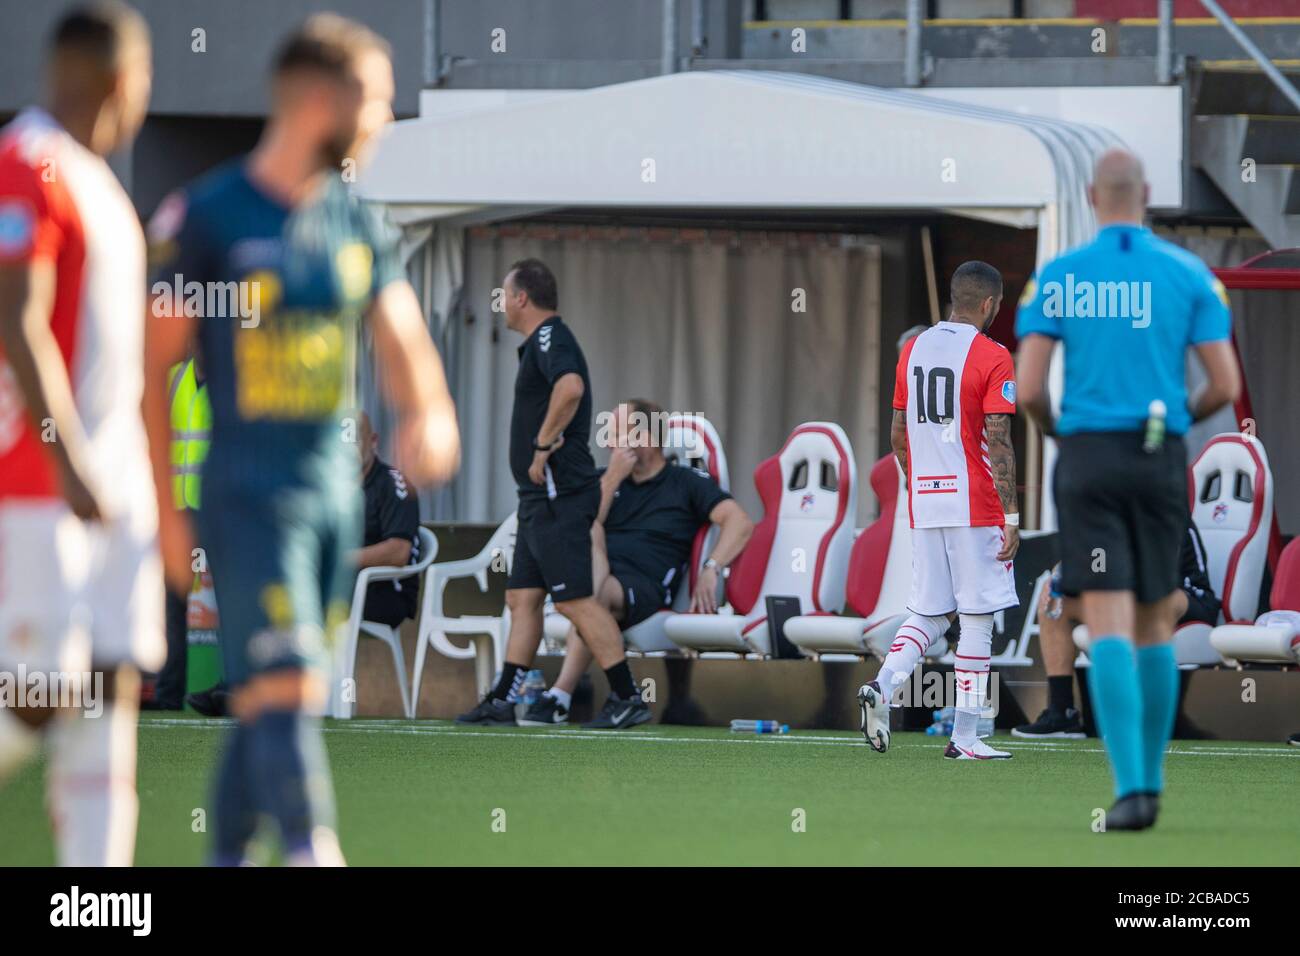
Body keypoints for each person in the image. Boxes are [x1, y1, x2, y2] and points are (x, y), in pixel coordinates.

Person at [142, 14, 460, 866]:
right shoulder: (209, 218)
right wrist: (159, 510)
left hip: (329, 503)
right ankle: (312, 846)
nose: (387, 122)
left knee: (268, 700)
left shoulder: (354, 221)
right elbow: (148, 373)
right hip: (250, 498)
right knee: (283, 687)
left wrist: (428, 410)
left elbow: (401, 343)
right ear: (323, 101)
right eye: (379, 102)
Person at [1016, 148, 1240, 830]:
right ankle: (1154, 780)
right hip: (1157, 454)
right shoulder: (1189, 274)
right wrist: (1172, 425)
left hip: (1088, 457)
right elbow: (1225, 386)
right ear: (1146, 194)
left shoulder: (1056, 277)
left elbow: (1029, 389)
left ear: (1091, 196)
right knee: (1156, 619)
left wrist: (1064, 433)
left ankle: (1129, 791)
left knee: (1106, 618)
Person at [0, 2, 158, 866]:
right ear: (120, 80)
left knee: (109, 696)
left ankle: (96, 907)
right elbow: (17, 321)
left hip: (114, 498)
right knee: (37, 696)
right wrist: (69, 464)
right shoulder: (27, 162)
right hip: (40, 489)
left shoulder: (102, 185)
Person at [455, 259, 647, 729]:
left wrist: (541, 446)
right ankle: (503, 700)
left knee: (573, 599)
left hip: (560, 494)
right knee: (523, 598)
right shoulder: (539, 343)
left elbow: (571, 387)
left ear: (522, 297)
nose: (500, 304)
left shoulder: (550, 337)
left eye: (504, 295)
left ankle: (627, 697)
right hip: (536, 499)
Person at [857, 261, 1021, 760]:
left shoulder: (914, 349)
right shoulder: (993, 355)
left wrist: (923, 482)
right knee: (976, 616)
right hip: (976, 501)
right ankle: (966, 736)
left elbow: (897, 434)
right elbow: (998, 437)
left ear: (953, 298)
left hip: (926, 499)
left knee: (929, 610)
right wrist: (1011, 515)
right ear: (990, 305)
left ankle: (882, 687)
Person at [519, 399, 753, 727]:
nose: (610, 440)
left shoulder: (685, 483)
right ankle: (582, 693)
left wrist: (711, 567)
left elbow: (739, 522)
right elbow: (579, 526)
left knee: (586, 598)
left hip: (644, 586)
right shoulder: (607, 479)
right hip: (600, 576)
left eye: (619, 432)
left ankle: (561, 693)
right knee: (586, 530)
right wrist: (612, 479)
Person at [1015, 520, 1219, 738]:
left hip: (1186, 596)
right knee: (1054, 599)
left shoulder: (1164, 509)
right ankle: (1061, 711)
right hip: (1127, 599)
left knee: (1148, 598)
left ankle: (1142, 708)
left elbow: (1154, 576)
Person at [353, 410, 422, 628]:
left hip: (387, 591)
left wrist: (341, 561)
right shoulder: (329, 486)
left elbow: (399, 551)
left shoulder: (394, 484)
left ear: (373, 441)